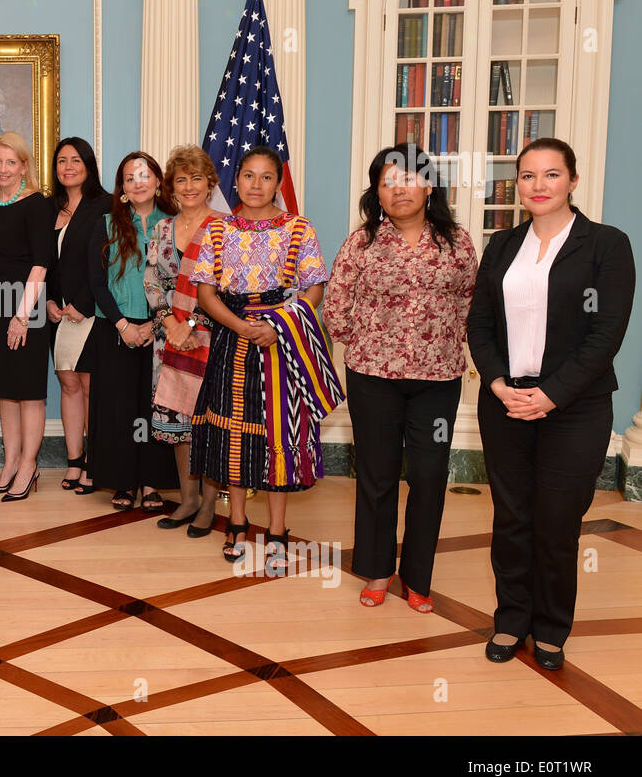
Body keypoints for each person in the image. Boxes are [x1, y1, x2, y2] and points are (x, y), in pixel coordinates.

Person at [468, 137, 634, 670]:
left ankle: (551, 628)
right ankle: (512, 618)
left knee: (557, 521)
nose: (538, 186)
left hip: (576, 407)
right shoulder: (500, 245)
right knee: (512, 517)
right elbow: (480, 324)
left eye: (551, 175)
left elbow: (606, 334)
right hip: (506, 400)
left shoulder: (607, 244)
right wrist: (496, 383)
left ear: (573, 181)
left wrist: (552, 395)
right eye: (528, 176)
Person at [325, 143, 477, 613]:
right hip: (374, 378)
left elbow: (473, 303)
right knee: (376, 475)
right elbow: (336, 306)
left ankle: (418, 577)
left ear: (429, 185)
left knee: (430, 475)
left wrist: (454, 345)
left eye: (408, 179)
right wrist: (368, 344)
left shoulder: (458, 242)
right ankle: (376, 571)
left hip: (438, 379)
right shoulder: (361, 242)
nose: (398, 190)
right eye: (387, 182)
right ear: (377, 191)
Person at [189, 145, 344, 575]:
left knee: (280, 431)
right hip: (231, 337)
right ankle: (237, 522)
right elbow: (205, 293)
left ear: (279, 182)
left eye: (266, 177)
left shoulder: (299, 228)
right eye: (248, 176)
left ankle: (277, 529)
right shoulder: (217, 230)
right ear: (234, 180)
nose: (256, 185)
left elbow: (314, 288)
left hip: (283, 337)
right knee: (236, 431)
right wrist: (241, 327)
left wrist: (277, 326)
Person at [85, 151, 179, 509]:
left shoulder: (173, 223)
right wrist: (123, 325)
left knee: (154, 406)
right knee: (119, 409)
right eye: (129, 177)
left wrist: (152, 325)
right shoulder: (106, 224)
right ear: (121, 187)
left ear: (157, 182)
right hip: (116, 329)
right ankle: (122, 482)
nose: (137, 182)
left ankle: (153, 482)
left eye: (144, 175)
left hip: (162, 330)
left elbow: (178, 283)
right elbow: (96, 281)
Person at [146, 145, 228, 535]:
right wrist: (168, 321)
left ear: (210, 183)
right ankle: (189, 499)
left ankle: (210, 506)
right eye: (182, 179)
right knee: (179, 423)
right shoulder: (161, 229)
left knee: (208, 423)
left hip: (211, 340)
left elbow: (228, 289)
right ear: (172, 188)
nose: (190, 186)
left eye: (197, 178)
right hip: (170, 342)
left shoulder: (226, 229)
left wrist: (191, 323)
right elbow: (152, 280)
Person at [0, 131, 53, 501]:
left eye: (11, 162)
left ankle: (29, 465)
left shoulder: (38, 204)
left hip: (27, 306)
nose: (3, 169)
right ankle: (11, 462)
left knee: (29, 392)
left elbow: (41, 264)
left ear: (24, 166)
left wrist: (22, 317)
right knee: (5, 391)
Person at [45, 137, 111, 494]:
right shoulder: (49, 207)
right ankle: (74, 461)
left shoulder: (106, 205)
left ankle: (94, 464)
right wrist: (50, 302)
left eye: (75, 160)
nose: (67, 166)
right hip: (59, 314)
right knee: (68, 384)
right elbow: (45, 264)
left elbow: (109, 262)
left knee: (88, 386)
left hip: (93, 313)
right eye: (61, 161)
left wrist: (83, 304)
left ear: (88, 164)